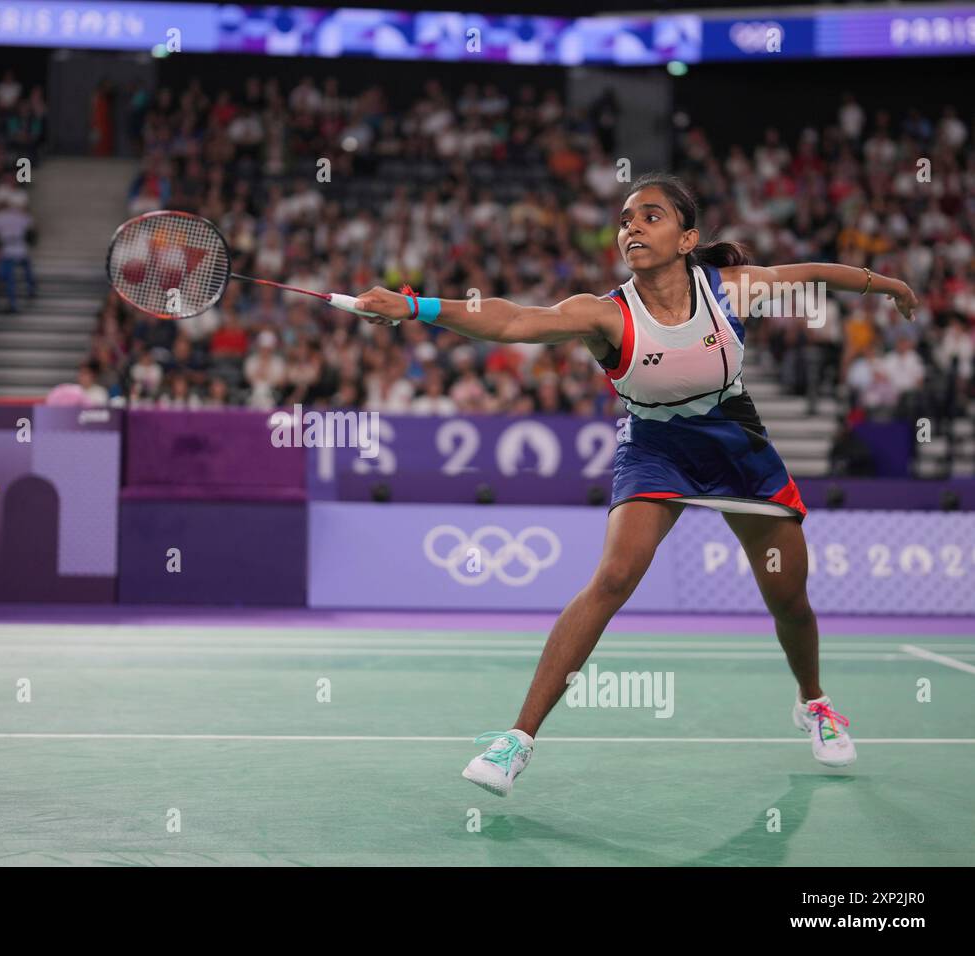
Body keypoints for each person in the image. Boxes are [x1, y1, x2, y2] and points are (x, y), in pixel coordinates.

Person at [354, 174, 919, 796]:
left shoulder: (730, 291)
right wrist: (416, 306)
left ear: (687, 238)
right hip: (655, 449)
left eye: (650, 216)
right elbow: (514, 320)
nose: (632, 228)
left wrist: (883, 284)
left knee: (788, 597)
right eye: (626, 219)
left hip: (738, 448)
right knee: (615, 576)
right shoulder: (606, 314)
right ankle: (518, 737)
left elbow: (809, 275)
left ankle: (814, 702)